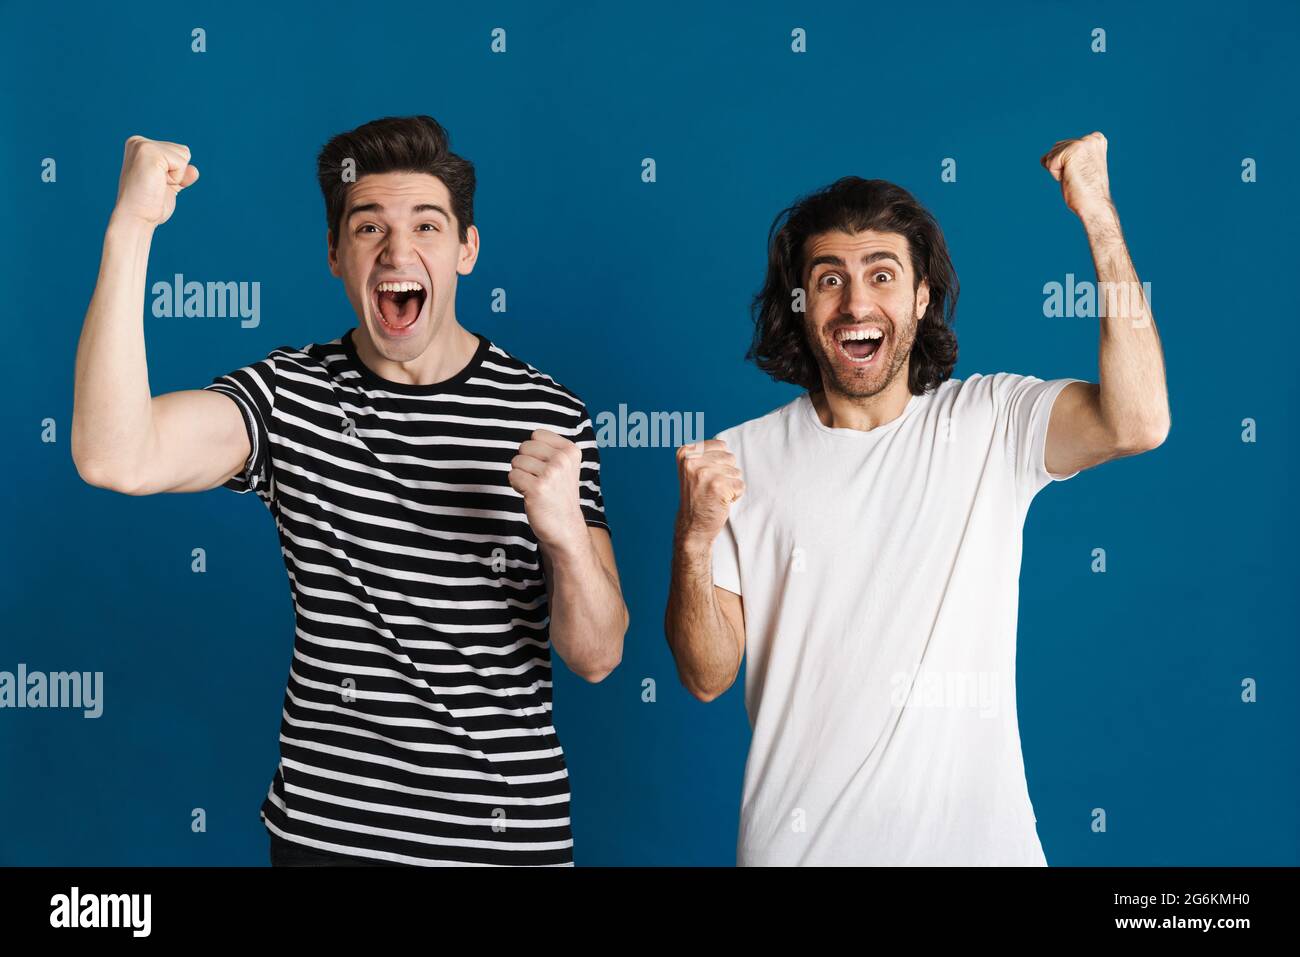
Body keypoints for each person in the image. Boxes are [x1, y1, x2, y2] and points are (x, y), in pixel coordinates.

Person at [72, 115, 628, 867]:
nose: (399, 251)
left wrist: (563, 533)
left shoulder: (548, 414)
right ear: (336, 254)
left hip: (505, 845)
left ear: (466, 249)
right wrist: (133, 224)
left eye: (427, 225)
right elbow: (116, 455)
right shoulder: (290, 397)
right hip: (327, 842)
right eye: (369, 227)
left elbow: (597, 655)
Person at [664, 133, 1169, 866]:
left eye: (882, 274)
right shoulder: (742, 459)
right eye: (830, 278)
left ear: (922, 295)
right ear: (801, 303)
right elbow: (706, 675)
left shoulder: (991, 420)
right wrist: (694, 538)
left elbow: (1141, 418)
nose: (856, 301)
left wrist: (1096, 213)